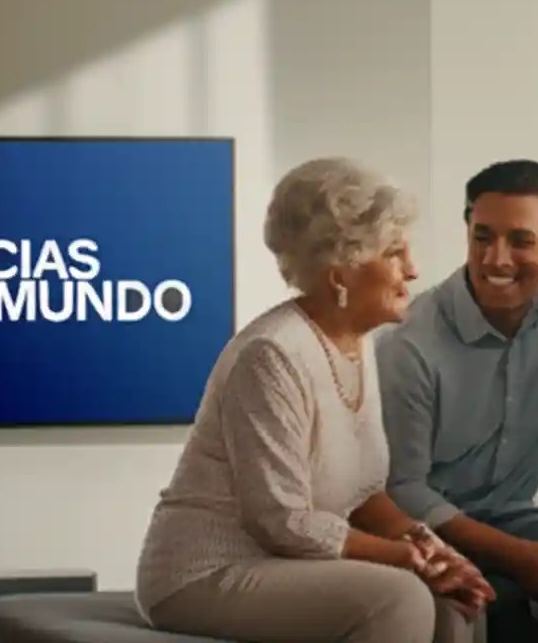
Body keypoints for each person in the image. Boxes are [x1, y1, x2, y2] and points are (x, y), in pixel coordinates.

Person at [135, 157, 493, 643]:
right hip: (207, 572)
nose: (412, 270)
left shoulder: (357, 342)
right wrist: (407, 560)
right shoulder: (272, 354)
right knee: (401, 595)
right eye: (393, 253)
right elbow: (279, 520)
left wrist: (430, 545)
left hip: (286, 562)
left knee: (458, 598)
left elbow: (364, 496)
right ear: (339, 274)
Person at [375, 159, 538, 643]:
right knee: (503, 604)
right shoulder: (409, 343)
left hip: (516, 518)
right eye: (482, 237)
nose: (496, 259)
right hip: (420, 535)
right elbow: (403, 492)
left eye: (520, 241)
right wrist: (513, 555)